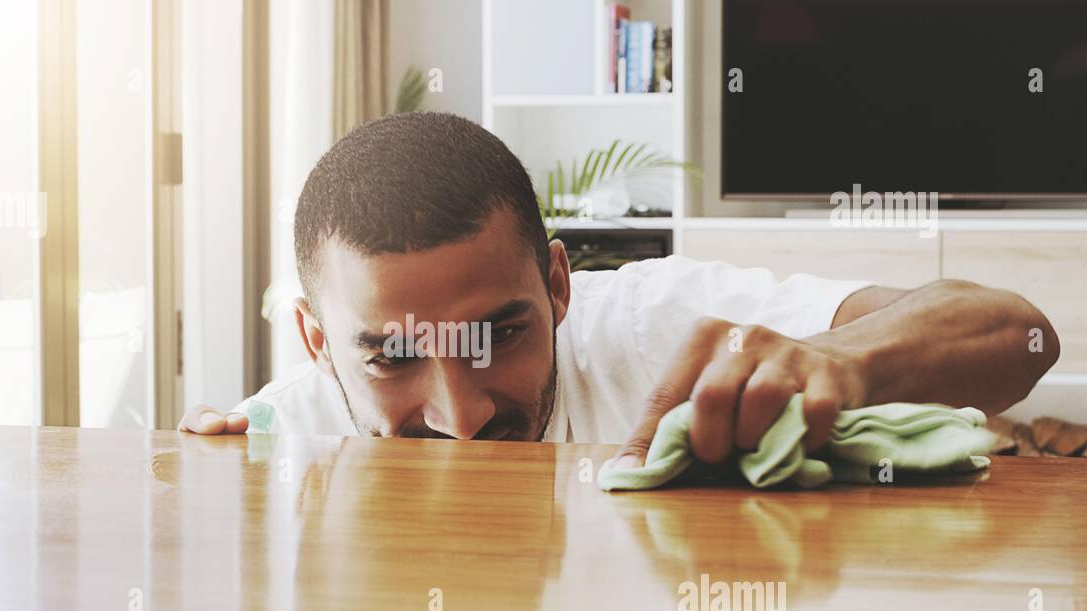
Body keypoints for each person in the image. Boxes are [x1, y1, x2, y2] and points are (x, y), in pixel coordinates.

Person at [179, 112, 1057, 470]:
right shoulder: (276, 445)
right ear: (317, 341)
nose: (461, 415)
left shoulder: (652, 320)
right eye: (392, 354)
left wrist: (837, 361)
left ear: (559, 282)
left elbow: (1020, 334)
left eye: (498, 334)